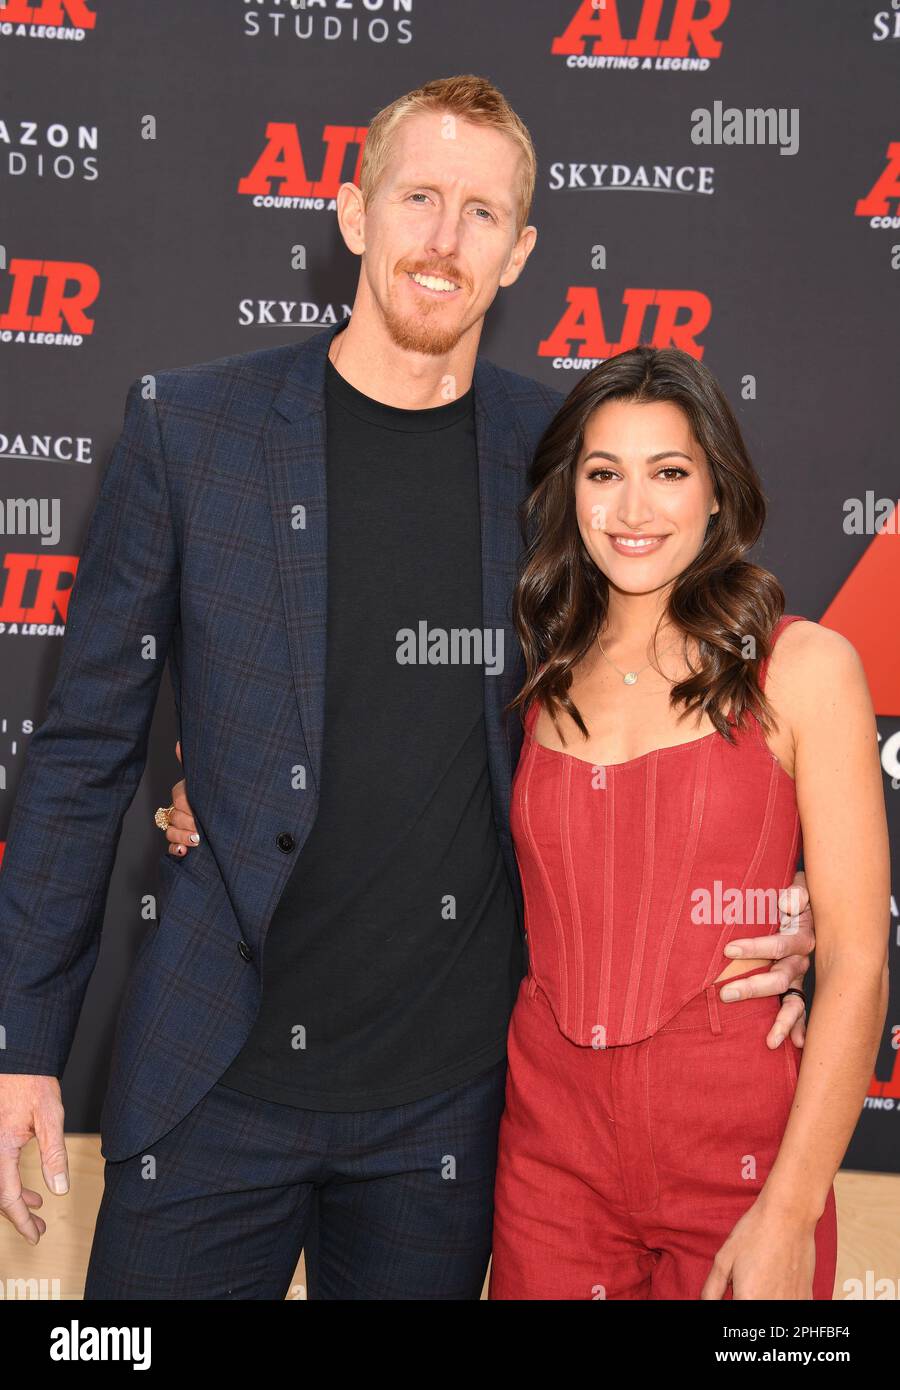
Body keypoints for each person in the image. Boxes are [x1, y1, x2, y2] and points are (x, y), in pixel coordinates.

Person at [0, 76, 818, 1300]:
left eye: (482, 213)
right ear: (352, 213)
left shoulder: (564, 469)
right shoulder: (193, 433)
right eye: (419, 199)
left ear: (522, 249)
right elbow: (80, 755)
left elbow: (677, 704)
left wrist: (777, 902)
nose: (445, 239)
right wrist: (21, 1041)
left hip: (447, 1105)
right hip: (213, 1077)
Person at [484, 348, 890, 1299]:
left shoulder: (803, 668)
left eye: (668, 472)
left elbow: (860, 962)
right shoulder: (539, 678)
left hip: (741, 1160)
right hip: (551, 1162)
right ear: (569, 495)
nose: (633, 511)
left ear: (717, 491)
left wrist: (790, 1210)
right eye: (603, 474)